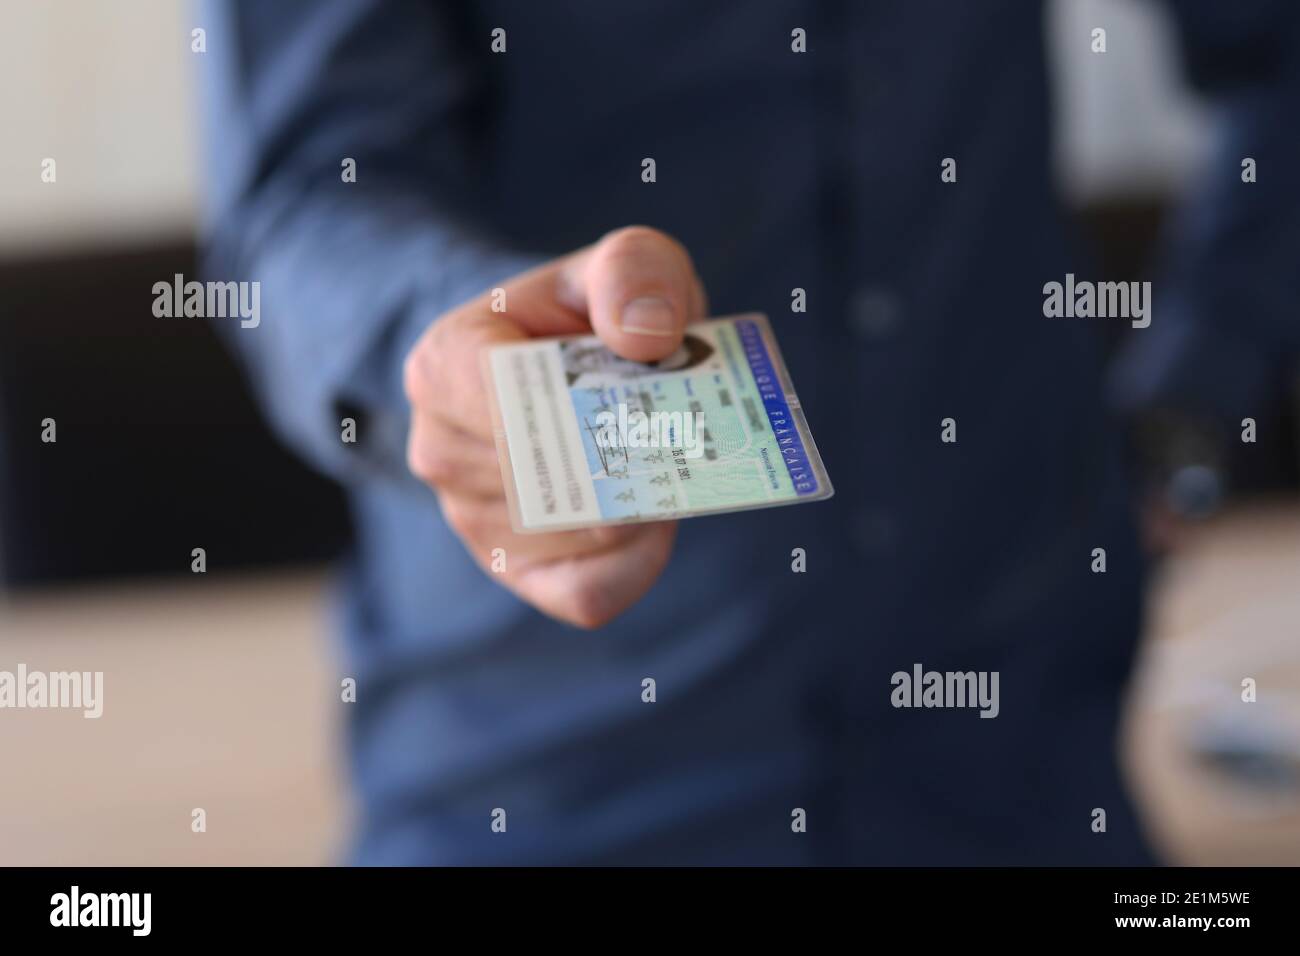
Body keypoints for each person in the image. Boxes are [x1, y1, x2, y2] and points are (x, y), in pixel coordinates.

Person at [199, 0, 1300, 864]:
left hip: (1019, 752)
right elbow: (305, 194)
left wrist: (1198, 399)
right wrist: (440, 348)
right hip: (552, 769)